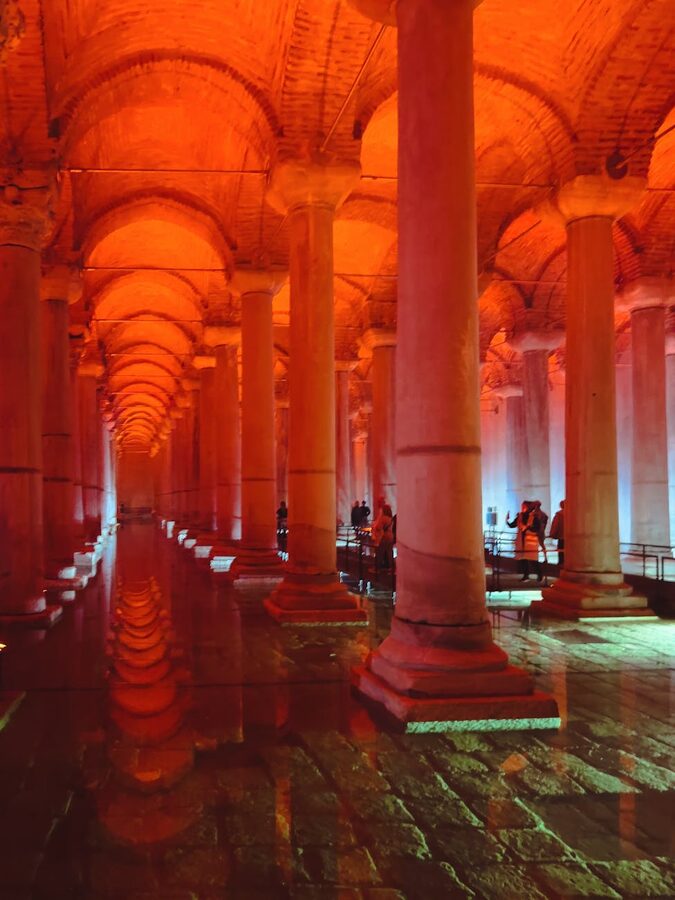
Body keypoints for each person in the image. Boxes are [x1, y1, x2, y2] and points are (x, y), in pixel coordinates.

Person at [506, 501, 543, 581]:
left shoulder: (534, 517)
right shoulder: (520, 516)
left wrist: (527, 528)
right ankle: (526, 575)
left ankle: (539, 575)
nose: (522, 508)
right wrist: (507, 520)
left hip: (530, 542)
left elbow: (537, 528)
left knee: (533, 560)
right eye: (522, 506)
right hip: (521, 541)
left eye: (524, 506)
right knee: (523, 559)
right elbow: (512, 525)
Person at [372, 503, 394, 571]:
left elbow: (378, 527)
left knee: (380, 552)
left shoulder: (383, 518)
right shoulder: (390, 518)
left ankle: (377, 568)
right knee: (389, 552)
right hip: (390, 536)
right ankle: (389, 567)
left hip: (383, 537)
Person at [549, 500, 565, 567]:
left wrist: (552, 534)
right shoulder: (573, 514)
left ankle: (561, 569)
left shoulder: (559, 515)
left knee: (561, 555)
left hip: (562, 537)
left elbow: (555, 525)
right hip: (571, 539)